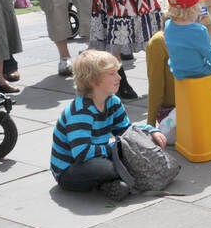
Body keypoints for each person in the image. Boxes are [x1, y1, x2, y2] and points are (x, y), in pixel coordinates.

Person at [50, 49, 166, 201]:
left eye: (117, 72)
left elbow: (126, 131)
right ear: (92, 79)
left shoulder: (113, 102)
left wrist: (151, 131)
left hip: (97, 156)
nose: (119, 77)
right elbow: (81, 153)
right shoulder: (81, 112)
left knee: (135, 147)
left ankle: (114, 183)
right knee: (106, 167)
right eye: (112, 74)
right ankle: (111, 182)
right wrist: (116, 148)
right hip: (70, 170)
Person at [162, 0, 211, 78]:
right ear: (194, 7)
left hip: (178, 73)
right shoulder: (199, 30)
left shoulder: (168, 25)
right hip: (199, 72)